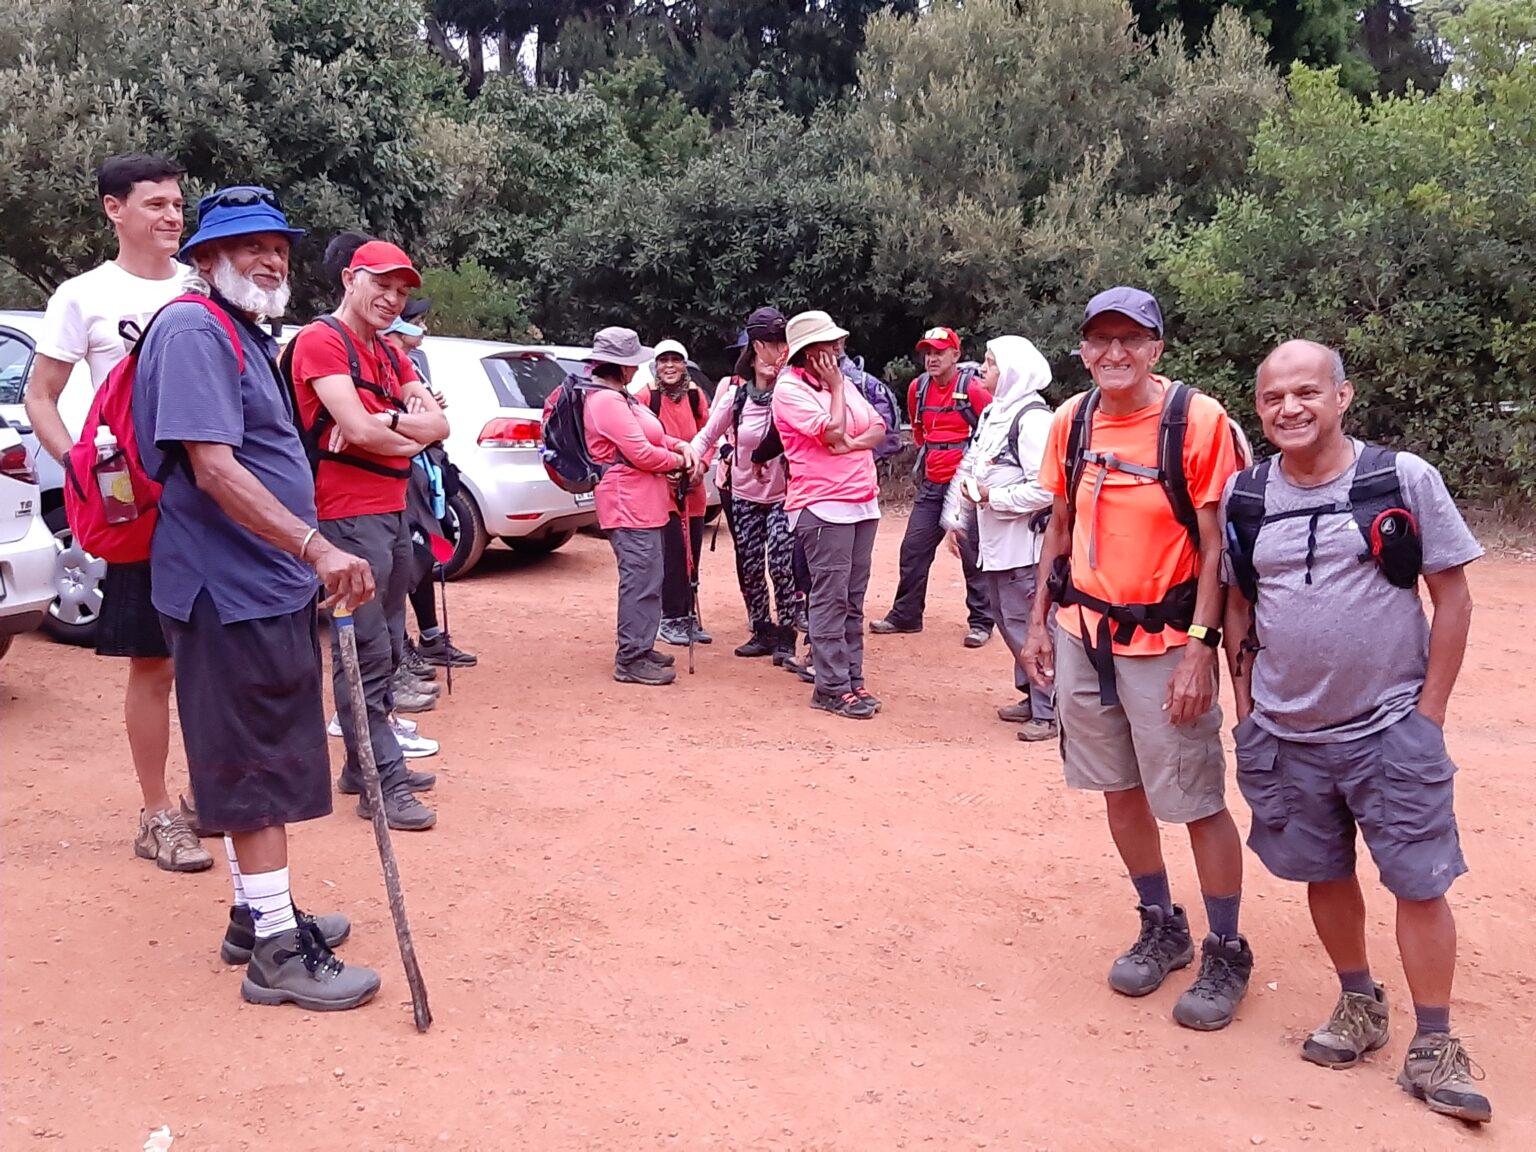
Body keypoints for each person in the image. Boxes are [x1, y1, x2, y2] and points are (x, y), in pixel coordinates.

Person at [1222, 341, 1490, 1123]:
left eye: (1307, 392)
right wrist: (1245, 712)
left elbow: (1454, 598)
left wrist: (1428, 716)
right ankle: (1358, 1002)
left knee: (1418, 881)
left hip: (1389, 728)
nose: (1289, 409)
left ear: (1343, 397)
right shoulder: (1247, 496)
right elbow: (1240, 606)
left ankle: (1435, 1042)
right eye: (1273, 398)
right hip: (1286, 732)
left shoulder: (1398, 480)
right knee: (1323, 870)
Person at [133, 185, 380, 1009]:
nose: (271, 259)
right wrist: (315, 544)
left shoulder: (234, 329)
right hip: (228, 586)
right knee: (254, 760)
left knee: (262, 753)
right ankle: (275, 949)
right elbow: (212, 466)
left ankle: (255, 913)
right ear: (204, 257)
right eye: (248, 247)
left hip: (255, 583)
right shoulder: (196, 329)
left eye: (277, 245)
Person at [1020, 286, 1251, 1031]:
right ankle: (1162, 922)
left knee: (1194, 797)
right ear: (1082, 348)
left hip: (1167, 642)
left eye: (1131, 339)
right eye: (1099, 339)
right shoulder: (1072, 420)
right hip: (1085, 636)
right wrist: (1034, 627)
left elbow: (1218, 546)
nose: (1114, 353)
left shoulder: (1198, 420)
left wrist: (1201, 651)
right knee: (1118, 787)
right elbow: (1059, 525)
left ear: (1157, 347)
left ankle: (1226, 945)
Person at [23, 153, 213, 873]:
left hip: (210, 496)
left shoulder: (201, 289)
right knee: (153, 663)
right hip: (137, 506)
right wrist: (82, 465)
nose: (172, 216)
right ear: (115, 209)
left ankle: (208, 795)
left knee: (212, 654)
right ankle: (157, 812)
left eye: (177, 204)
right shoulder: (84, 296)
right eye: (157, 204)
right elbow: (42, 393)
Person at [287, 240, 448, 831]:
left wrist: (388, 426)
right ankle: (382, 779)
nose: (393, 299)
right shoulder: (321, 340)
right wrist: (400, 430)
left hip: (388, 512)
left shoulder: (385, 350)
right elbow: (354, 426)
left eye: (403, 291)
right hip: (345, 518)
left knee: (377, 645)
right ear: (351, 278)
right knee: (366, 648)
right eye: (383, 284)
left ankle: (363, 764)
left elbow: (439, 424)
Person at [772, 311, 887, 720]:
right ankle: (831, 686)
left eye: (837, 344)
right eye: (829, 345)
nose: (837, 351)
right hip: (823, 506)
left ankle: (851, 680)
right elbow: (830, 430)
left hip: (861, 502)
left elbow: (877, 428)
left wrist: (851, 441)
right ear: (808, 352)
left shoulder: (840, 384)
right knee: (830, 598)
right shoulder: (790, 390)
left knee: (852, 598)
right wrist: (838, 390)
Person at [942, 336, 1057, 742]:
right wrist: (957, 519)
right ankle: (1032, 693)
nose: (982, 370)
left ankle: (1049, 707)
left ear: (1011, 372)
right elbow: (973, 467)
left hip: (1024, 544)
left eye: (990, 364)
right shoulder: (995, 413)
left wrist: (996, 499)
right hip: (995, 541)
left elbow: (1047, 489)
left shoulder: (1033, 420)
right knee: (1008, 618)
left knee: (1029, 622)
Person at [582, 327, 700, 685]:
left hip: (642, 502)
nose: (636, 369)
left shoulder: (620, 397)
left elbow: (654, 436)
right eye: (631, 363)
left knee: (650, 576)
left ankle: (641, 645)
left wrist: (681, 445)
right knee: (639, 579)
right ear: (621, 366)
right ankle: (631, 657)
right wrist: (680, 460)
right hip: (626, 502)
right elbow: (642, 453)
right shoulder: (605, 401)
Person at [870, 326, 994, 647]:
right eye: (928, 352)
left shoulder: (974, 389)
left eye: (939, 352)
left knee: (971, 552)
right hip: (932, 483)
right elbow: (921, 432)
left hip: (964, 487)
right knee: (913, 549)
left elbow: (995, 430)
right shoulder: (918, 389)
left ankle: (981, 622)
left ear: (956, 354)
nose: (932, 358)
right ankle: (906, 615)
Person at [689, 309, 795, 661]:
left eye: (780, 348)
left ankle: (787, 635)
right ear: (751, 356)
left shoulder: (792, 394)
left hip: (784, 495)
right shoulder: (736, 398)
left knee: (781, 564)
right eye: (766, 348)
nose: (772, 359)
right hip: (744, 496)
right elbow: (706, 436)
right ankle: (761, 628)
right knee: (749, 565)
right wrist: (689, 459)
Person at [639, 339, 713, 647]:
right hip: (662, 490)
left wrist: (702, 467)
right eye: (663, 360)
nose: (669, 366)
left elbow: (709, 436)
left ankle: (686, 616)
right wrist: (663, 469)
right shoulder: (647, 397)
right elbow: (637, 441)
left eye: (675, 360)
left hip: (693, 490)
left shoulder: (695, 396)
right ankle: (669, 618)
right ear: (656, 365)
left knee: (691, 554)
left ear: (684, 364)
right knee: (671, 555)